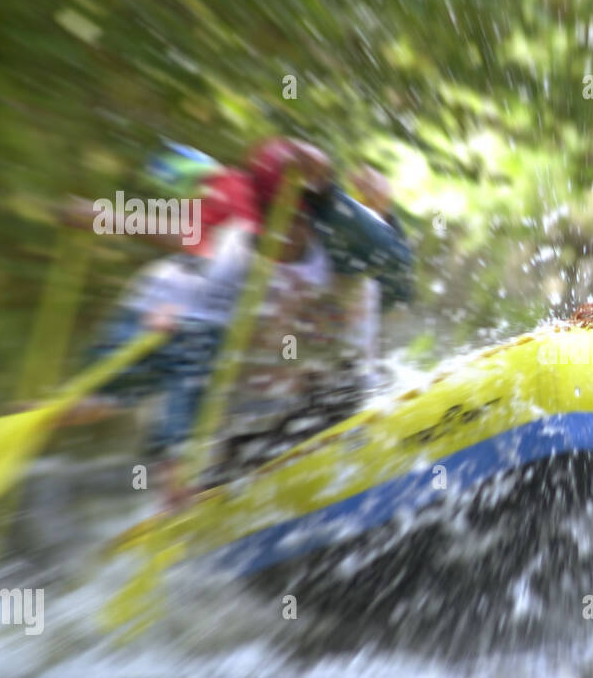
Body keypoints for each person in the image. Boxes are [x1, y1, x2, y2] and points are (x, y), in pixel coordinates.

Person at [58, 138, 414, 505]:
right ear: (257, 213)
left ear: (309, 213)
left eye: (295, 221)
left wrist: (358, 195)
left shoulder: (346, 237)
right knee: (205, 369)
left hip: (342, 395)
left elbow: (400, 282)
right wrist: (111, 400)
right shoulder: (234, 255)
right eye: (272, 219)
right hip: (264, 420)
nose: (284, 234)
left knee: (341, 389)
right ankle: (196, 489)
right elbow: (189, 353)